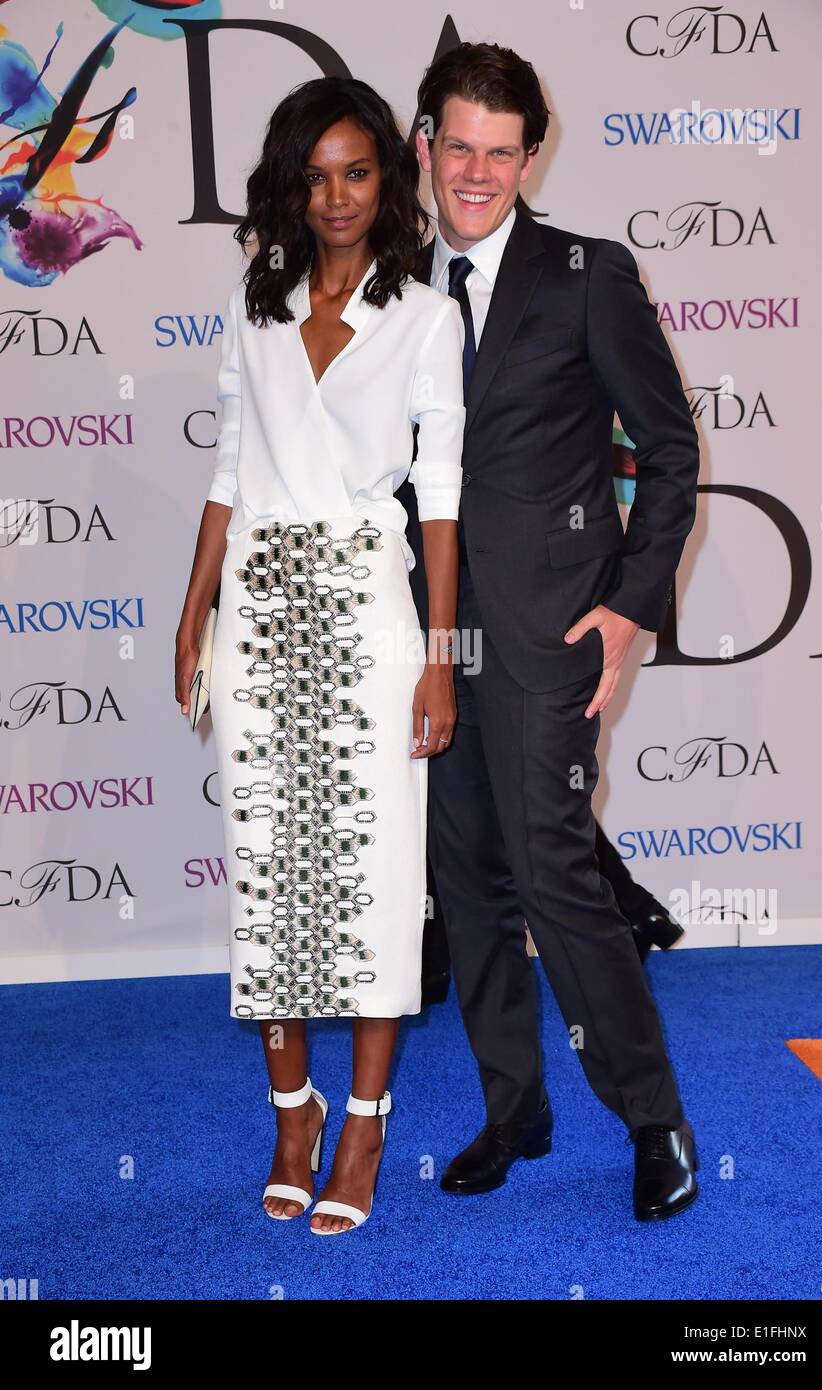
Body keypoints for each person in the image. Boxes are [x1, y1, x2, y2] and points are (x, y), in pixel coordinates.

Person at [398, 42, 701, 1221]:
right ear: (426, 146)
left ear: (532, 155)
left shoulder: (587, 274)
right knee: (465, 883)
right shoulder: (391, 286)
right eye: (456, 146)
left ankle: (651, 1116)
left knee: (556, 874)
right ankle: (512, 1107)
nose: (475, 172)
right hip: (429, 644)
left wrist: (628, 607)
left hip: (546, 637)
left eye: (499, 152)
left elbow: (670, 454)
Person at [175, 76, 465, 1234]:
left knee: (381, 878)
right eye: (316, 175)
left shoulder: (427, 319)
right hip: (259, 613)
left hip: (369, 615)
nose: (338, 196)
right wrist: (192, 612)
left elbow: (437, 499)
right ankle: (289, 1106)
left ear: (386, 180)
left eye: (357, 172)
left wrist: (439, 656)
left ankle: (363, 1119)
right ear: (290, 186)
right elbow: (228, 474)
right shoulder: (253, 304)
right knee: (276, 877)